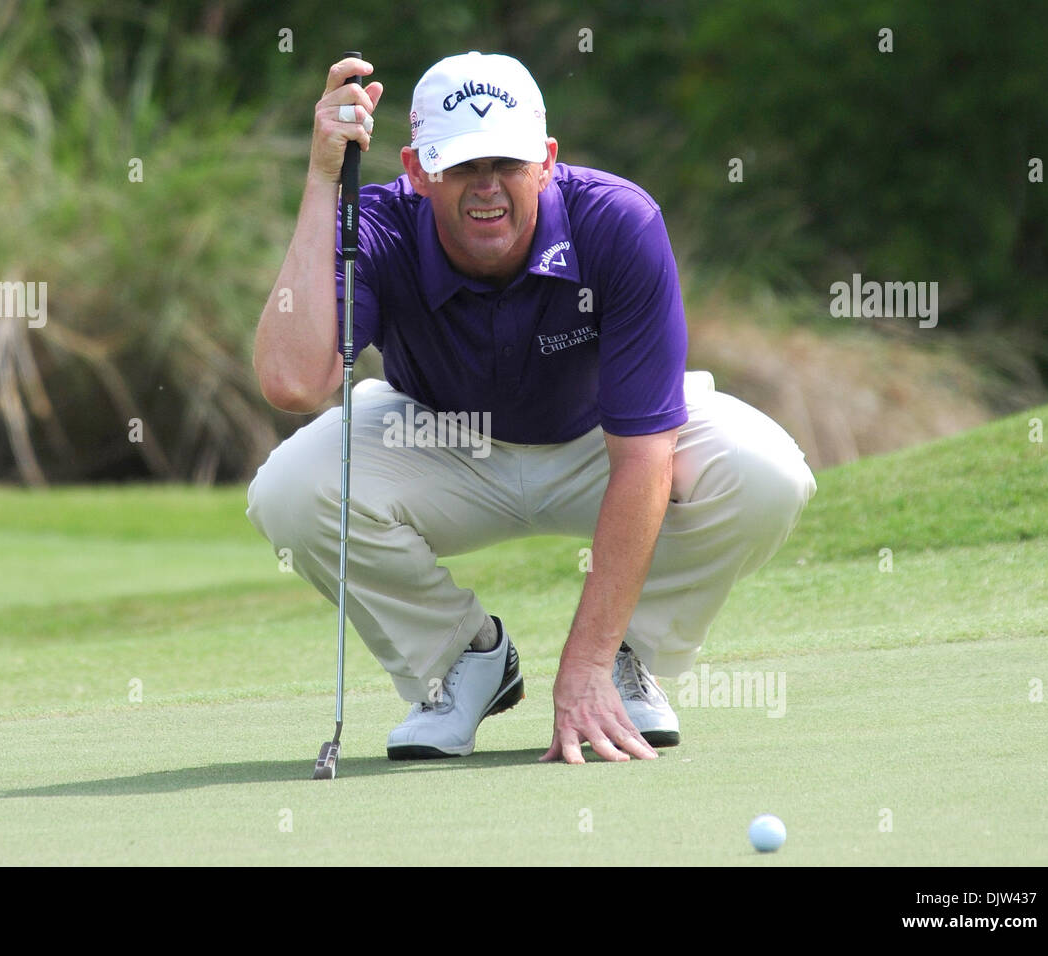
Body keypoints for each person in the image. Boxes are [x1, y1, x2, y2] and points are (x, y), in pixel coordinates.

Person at [247, 51, 816, 765]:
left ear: (545, 161)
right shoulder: (379, 226)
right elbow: (293, 382)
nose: (486, 189)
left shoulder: (617, 221)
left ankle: (622, 656)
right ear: (418, 170)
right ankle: (463, 661)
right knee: (289, 493)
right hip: (439, 438)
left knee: (767, 474)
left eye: (506, 164)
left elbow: (643, 454)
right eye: (460, 167)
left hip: (598, 444)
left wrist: (581, 662)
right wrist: (322, 183)